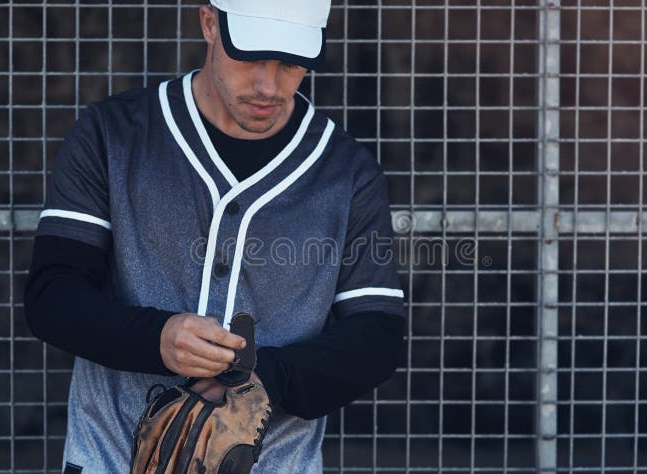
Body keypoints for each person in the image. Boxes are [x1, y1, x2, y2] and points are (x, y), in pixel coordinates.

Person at [23, 0, 406, 472]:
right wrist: (156, 338)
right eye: (249, 56)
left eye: (290, 62)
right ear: (209, 23)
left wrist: (267, 377)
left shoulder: (347, 172)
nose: (268, 85)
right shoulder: (113, 135)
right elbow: (52, 295)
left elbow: (377, 336)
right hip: (110, 453)